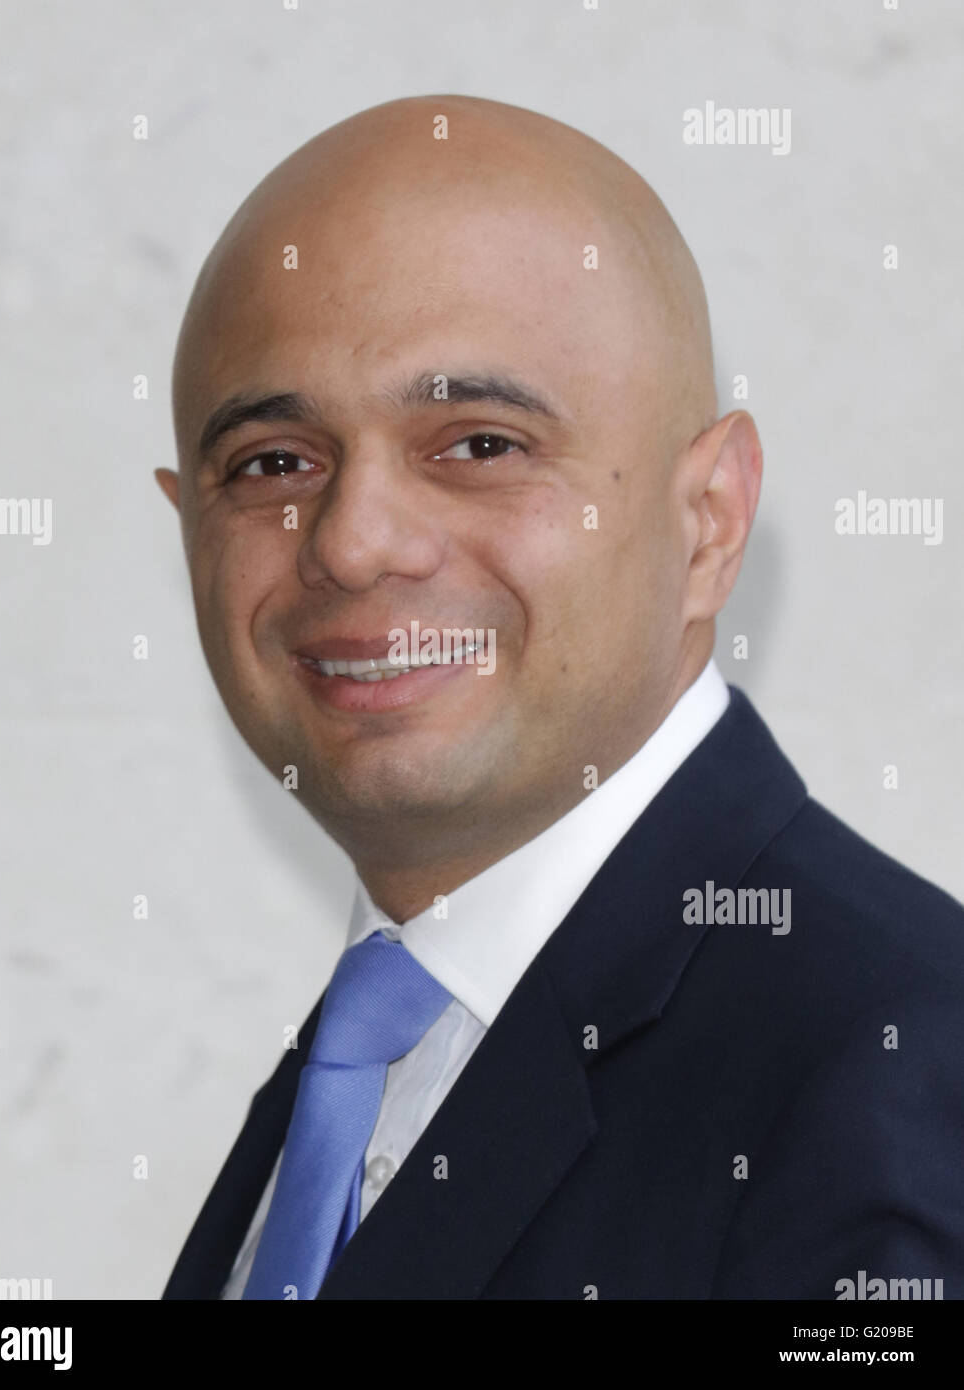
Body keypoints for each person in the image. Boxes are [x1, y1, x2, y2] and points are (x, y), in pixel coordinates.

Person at [155, 94, 964, 1300]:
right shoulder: (374, 1038)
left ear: (708, 523)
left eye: (478, 443)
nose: (355, 541)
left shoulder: (898, 1069)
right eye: (273, 463)